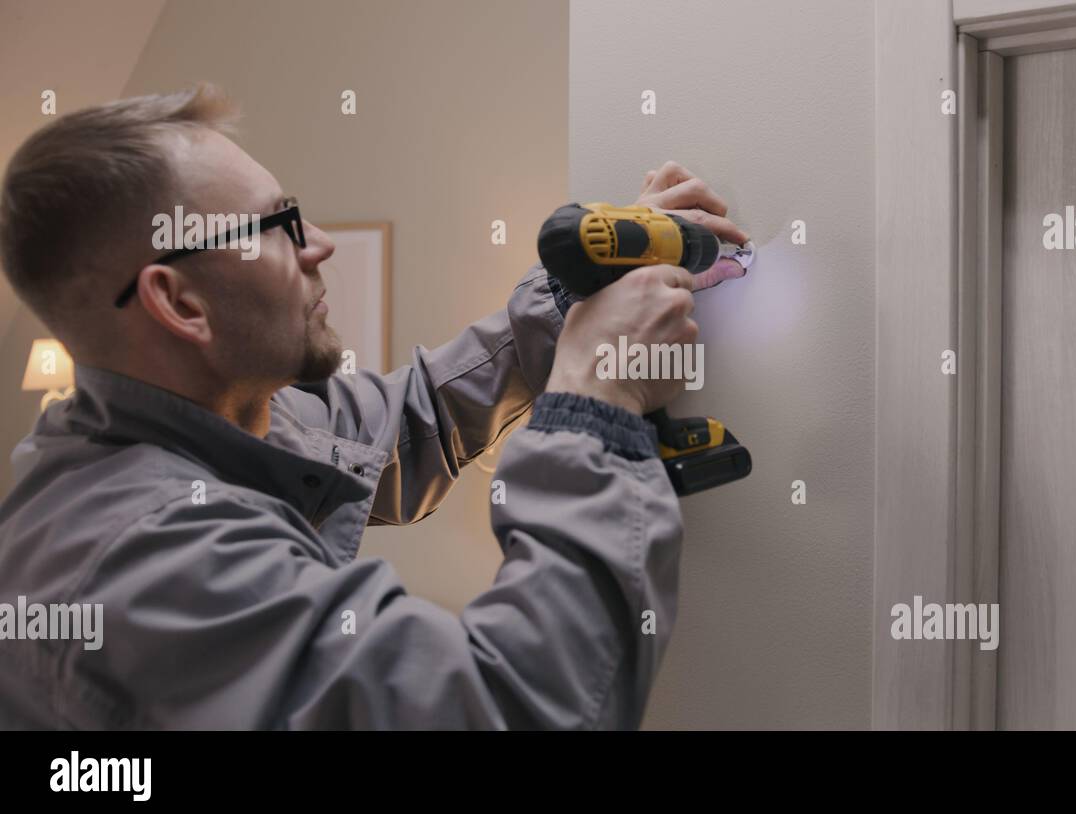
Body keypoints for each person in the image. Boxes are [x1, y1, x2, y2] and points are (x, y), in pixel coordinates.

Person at [0, 85, 749, 729]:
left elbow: (413, 415)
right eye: (282, 225)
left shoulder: (228, 418)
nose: (318, 244)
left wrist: (576, 289)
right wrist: (596, 402)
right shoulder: (145, 563)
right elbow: (510, 704)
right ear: (179, 301)